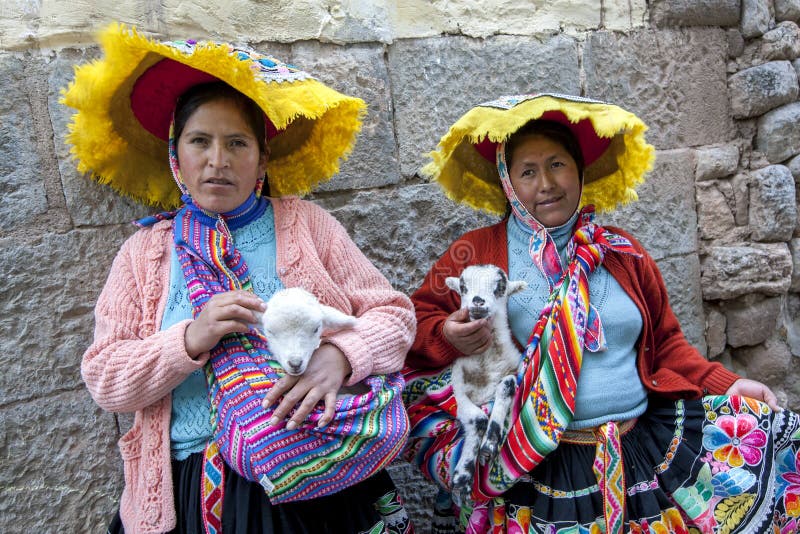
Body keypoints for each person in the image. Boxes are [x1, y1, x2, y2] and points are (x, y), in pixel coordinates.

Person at [66, 24, 415, 534]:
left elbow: (394, 316)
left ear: (262, 158)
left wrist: (340, 357)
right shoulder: (145, 253)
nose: (218, 161)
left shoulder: (305, 225)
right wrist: (189, 339)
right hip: (198, 487)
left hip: (320, 467)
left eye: (237, 143)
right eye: (199, 142)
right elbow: (105, 377)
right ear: (175, 156)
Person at [403, 93, 800, 533]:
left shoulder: (622, 253)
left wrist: (729, 383)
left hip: (643, 447)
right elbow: (416, 324)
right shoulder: (474, 254)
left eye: (557, 164)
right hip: (537, 461)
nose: (546, 184)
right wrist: (447, 334)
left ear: (579, 170)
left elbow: (666, 343)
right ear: (507, 183)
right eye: (528, 172)